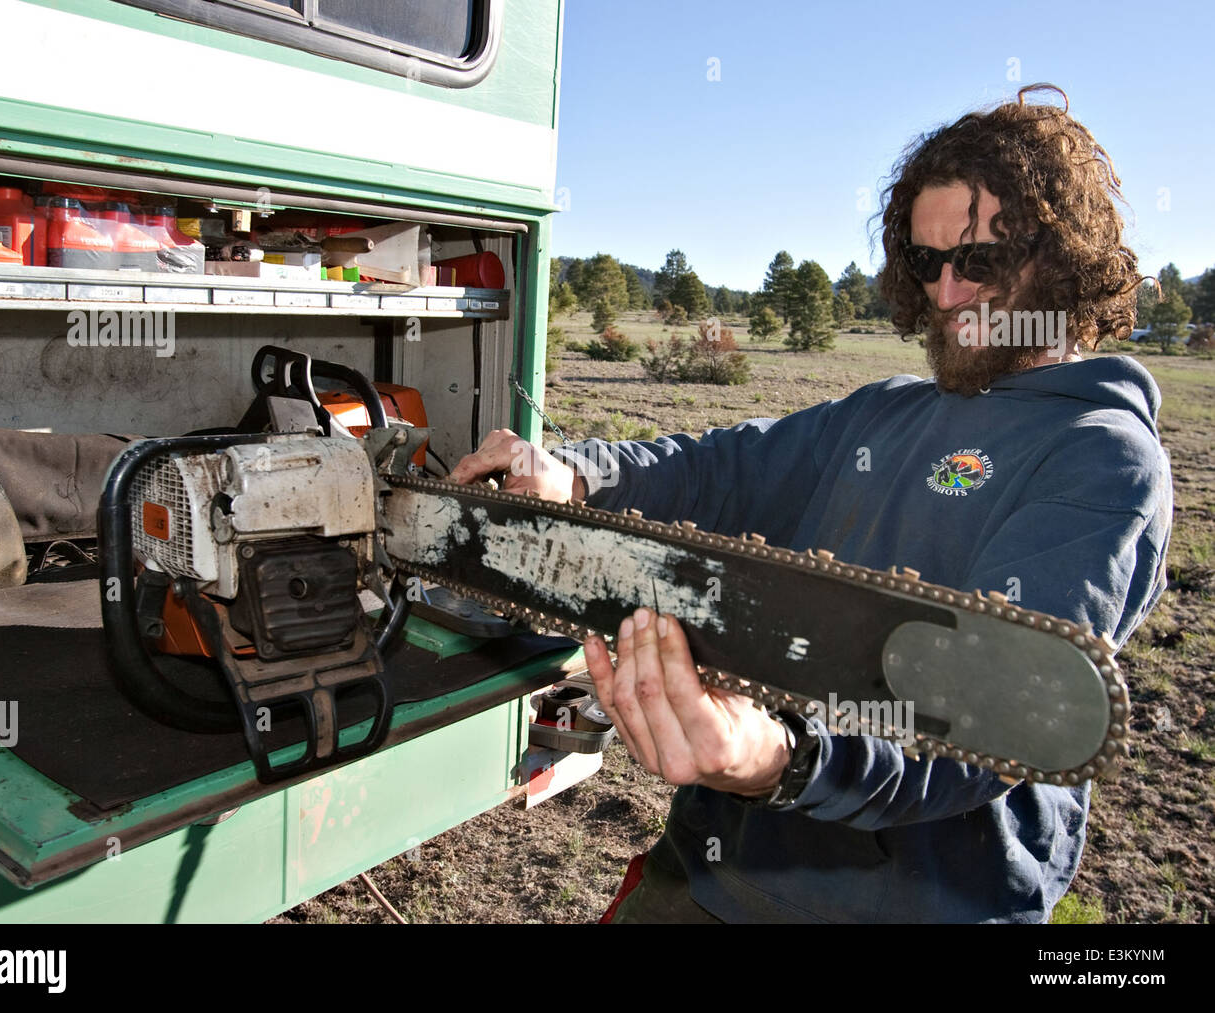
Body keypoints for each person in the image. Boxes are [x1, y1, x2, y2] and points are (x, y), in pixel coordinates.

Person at [448, 84, 1172, 923]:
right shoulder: (889, 410)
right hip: (715, 869)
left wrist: (778, 757)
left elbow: (997, 714)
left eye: (979, 260)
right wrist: (578, 473)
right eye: (929, 261)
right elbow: (728, 468)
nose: (947, 292)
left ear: (1061, 256)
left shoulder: (1102, 456)